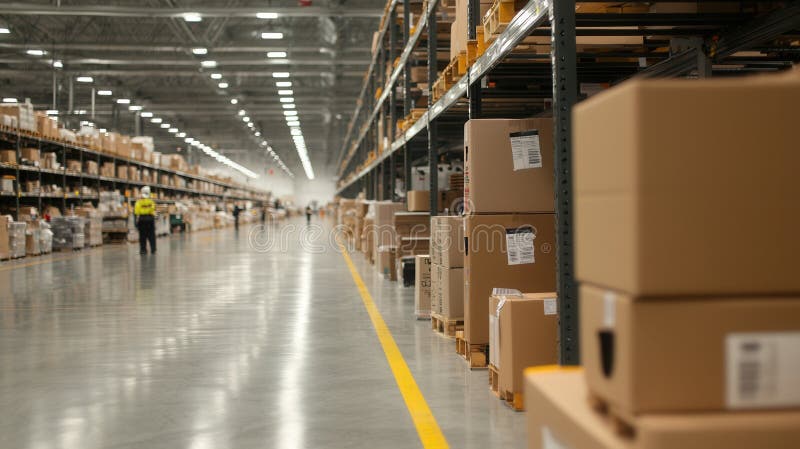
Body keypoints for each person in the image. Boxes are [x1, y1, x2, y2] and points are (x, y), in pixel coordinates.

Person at [134, 186, 157, 255]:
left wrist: (136, 222)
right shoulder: (151, 202)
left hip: (142, 219)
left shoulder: (138, 202)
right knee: (151, 235)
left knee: (142, 236)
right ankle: (153, 249)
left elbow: (136, 212)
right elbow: (153, 210)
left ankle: (143, 250)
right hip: (150, 219)